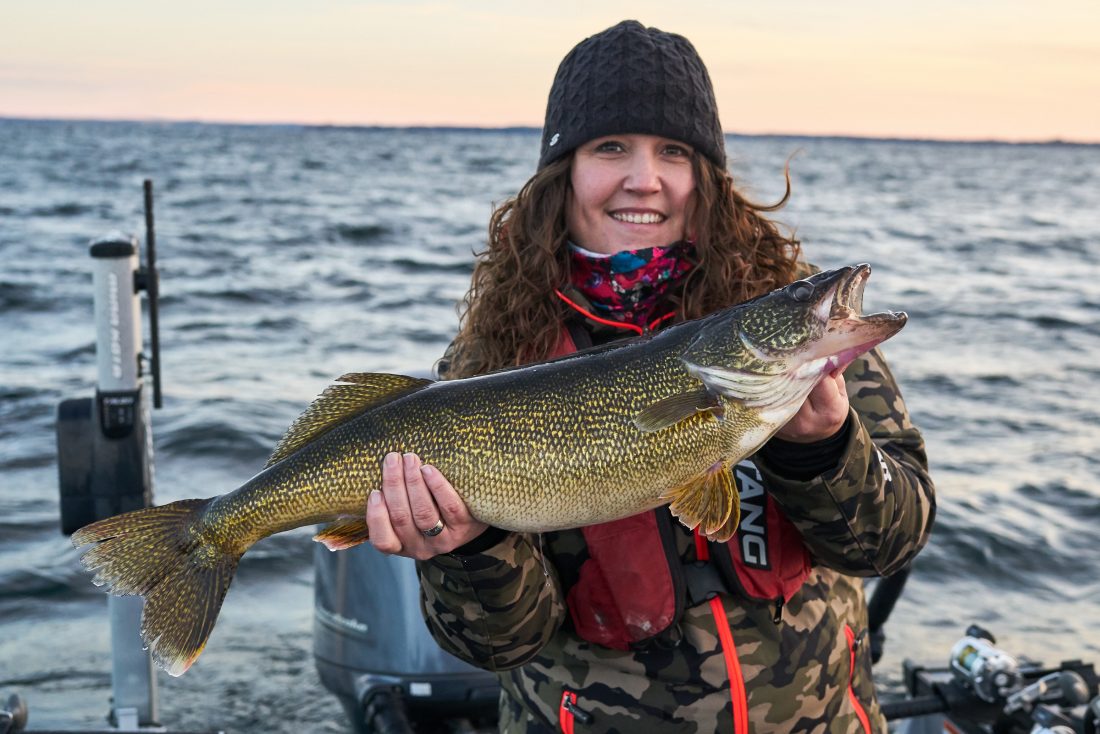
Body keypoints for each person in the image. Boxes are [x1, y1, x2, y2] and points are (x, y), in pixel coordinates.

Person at [365, 20, 935, 733]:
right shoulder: (492, 358)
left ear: (707, 175)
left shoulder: (793, 327)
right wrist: (467, 549)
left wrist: (826, 447)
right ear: (563, 170)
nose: (646, 179)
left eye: (674, 151)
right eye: (612, 148)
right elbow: (496, 642)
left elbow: (893, 542)